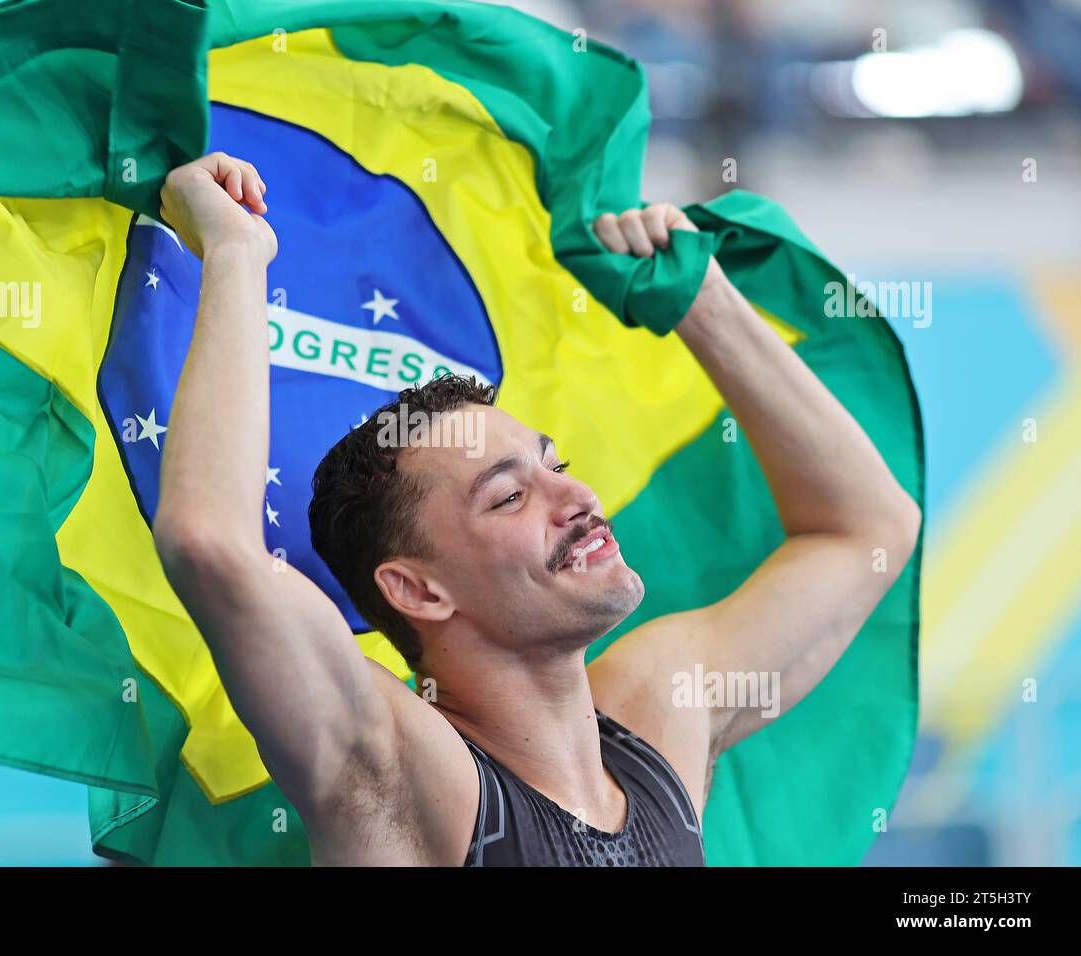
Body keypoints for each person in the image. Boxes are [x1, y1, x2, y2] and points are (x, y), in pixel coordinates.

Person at [152, 150, 921, 866]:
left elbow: (869, 531)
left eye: (558, 466)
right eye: (511, 496)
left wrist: (703, 303)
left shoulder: (661, 717)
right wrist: (235, 254)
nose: (578, 499)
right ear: (418, 589)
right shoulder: (395, 771)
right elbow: (208, 542)